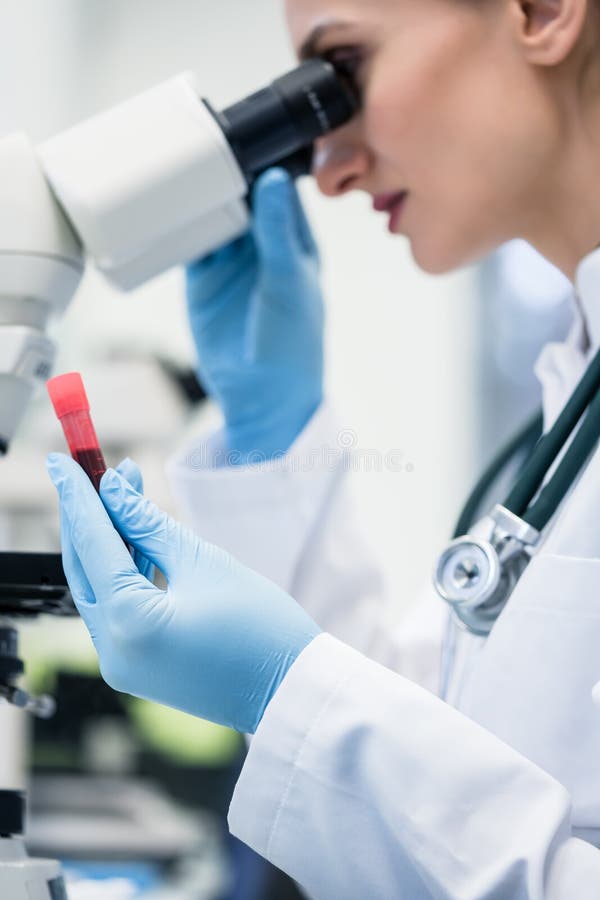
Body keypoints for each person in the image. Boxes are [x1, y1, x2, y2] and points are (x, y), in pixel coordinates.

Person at [46, 0, 600, 896]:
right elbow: (443, 744)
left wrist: (283, 690)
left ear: (540, 13)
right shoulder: (570, 410)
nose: (331, 167)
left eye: (340, 71)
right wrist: (276, 437)